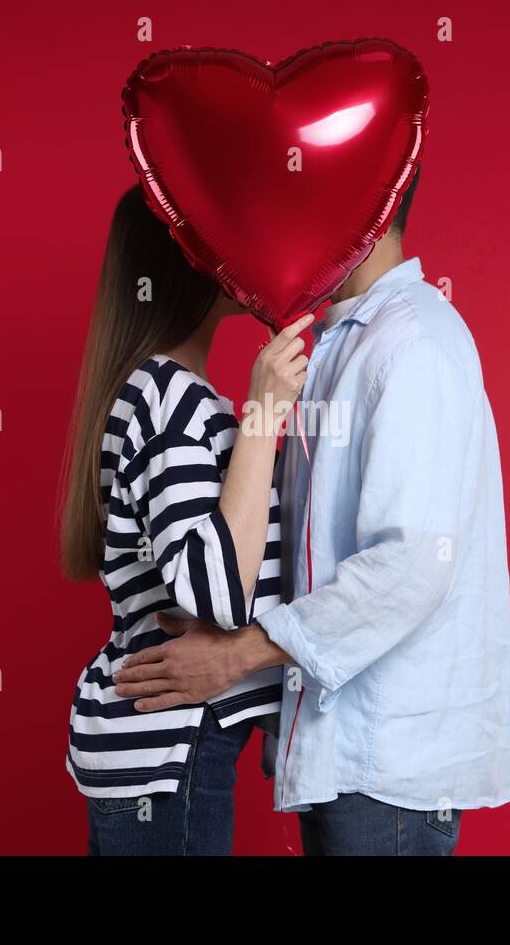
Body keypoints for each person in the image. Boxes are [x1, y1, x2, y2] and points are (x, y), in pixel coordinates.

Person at [114, 170, 510, 855]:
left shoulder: (411, 344)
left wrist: (238, 656)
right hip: (345, 756)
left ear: (367, 207)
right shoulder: (341, 344)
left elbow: (412, 564)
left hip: (385, 764)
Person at [59, 186, 313, 855]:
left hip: (169, 757)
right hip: (167, 756)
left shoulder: (175, 396)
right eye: (210, 240)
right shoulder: (166, 398)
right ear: (182, 265)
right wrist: (264, 414)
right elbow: (218, 596)